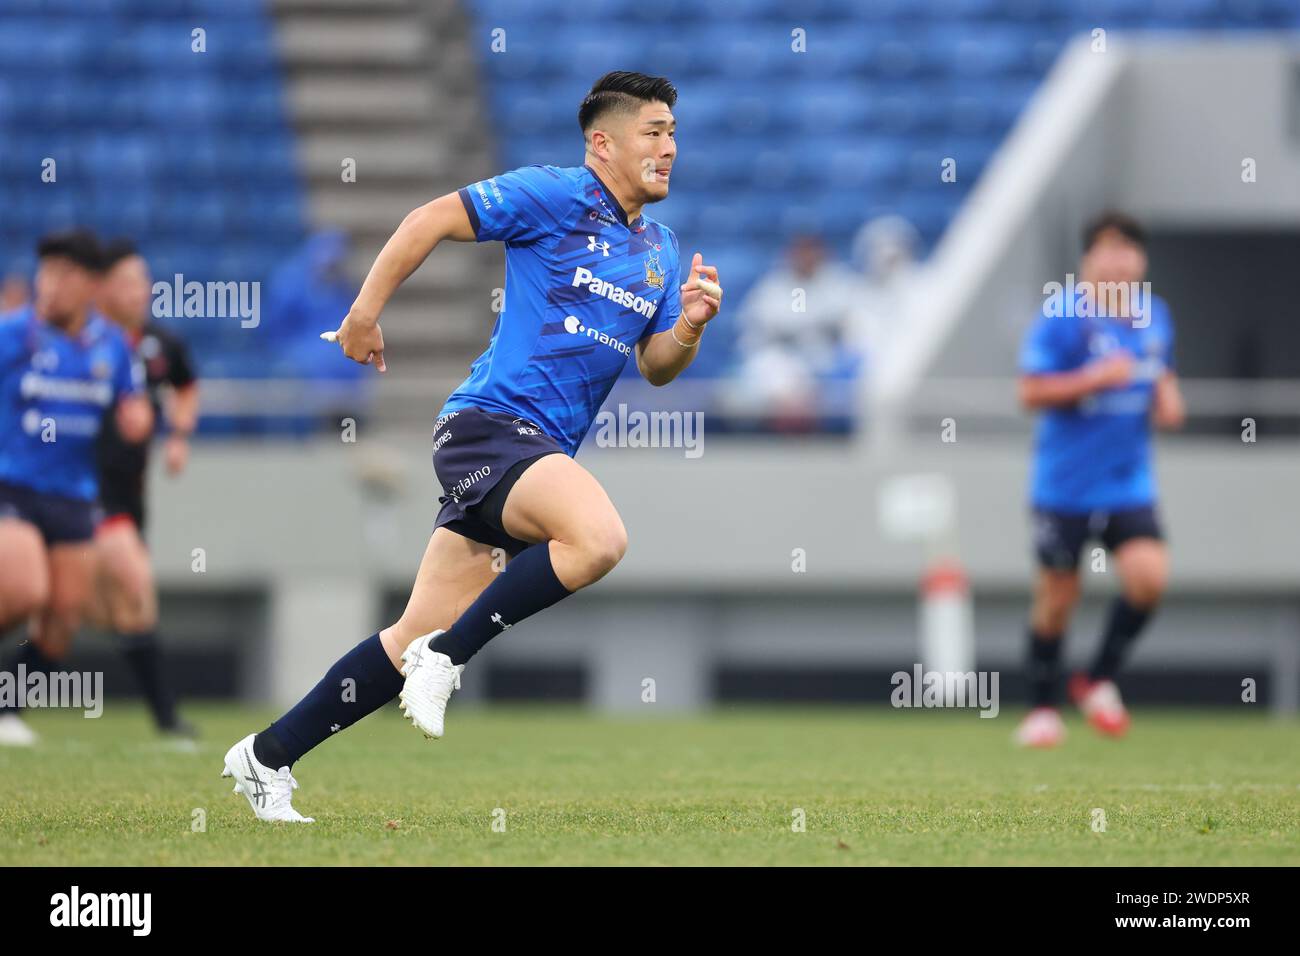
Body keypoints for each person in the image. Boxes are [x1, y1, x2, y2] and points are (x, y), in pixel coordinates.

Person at [221, 71, 722, 822]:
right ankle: (450, 658)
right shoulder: (552, 194)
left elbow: (654, 368)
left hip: (537, 450)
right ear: (603, 143)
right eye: (653, 132)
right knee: (598, 539)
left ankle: (266, 756)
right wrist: (363, 314)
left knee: (407, 636)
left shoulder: (659, 247)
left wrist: (688, 324)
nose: (669, 148)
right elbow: (427, 218)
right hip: (489, 426)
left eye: (674, 134)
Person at [1014, 211, 1185, 748]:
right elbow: (1030, 392)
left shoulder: (1155, 316)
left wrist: (1168, 399)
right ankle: (1043, 708)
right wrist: (1091, 379)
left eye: (1128, 249)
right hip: (1064, 484)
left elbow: (1163, 375)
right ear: (1088, 260)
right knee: (1058, 595)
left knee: (1149, 577)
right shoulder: (1062, 316)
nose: (1118, 260)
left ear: (1141, 259)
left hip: (1127, 480)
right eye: (1106, 250)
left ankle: (1099, 678)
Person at [0, 230, 151, 746]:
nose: (51, 286)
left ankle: (6, 709)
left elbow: (130, 405)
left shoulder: (110, 344)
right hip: (13, 485)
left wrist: (138, 419)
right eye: (46, 274)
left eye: (65, 276)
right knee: (24, 590)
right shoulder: (12, 335)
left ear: (89, 285)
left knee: (65, 613)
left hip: (74, 494)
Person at [91, 238, 200, 740]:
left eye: (144, 280)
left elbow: (185, 383)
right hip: (80, 490)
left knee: (87, 606)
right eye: (131, 280)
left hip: (129, 493)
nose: (143, 290)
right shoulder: (81, 342)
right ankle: (167, 719)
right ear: (103, 287)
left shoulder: (158, 343)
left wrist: (177, 436)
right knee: (132, 589)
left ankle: (166, 721)